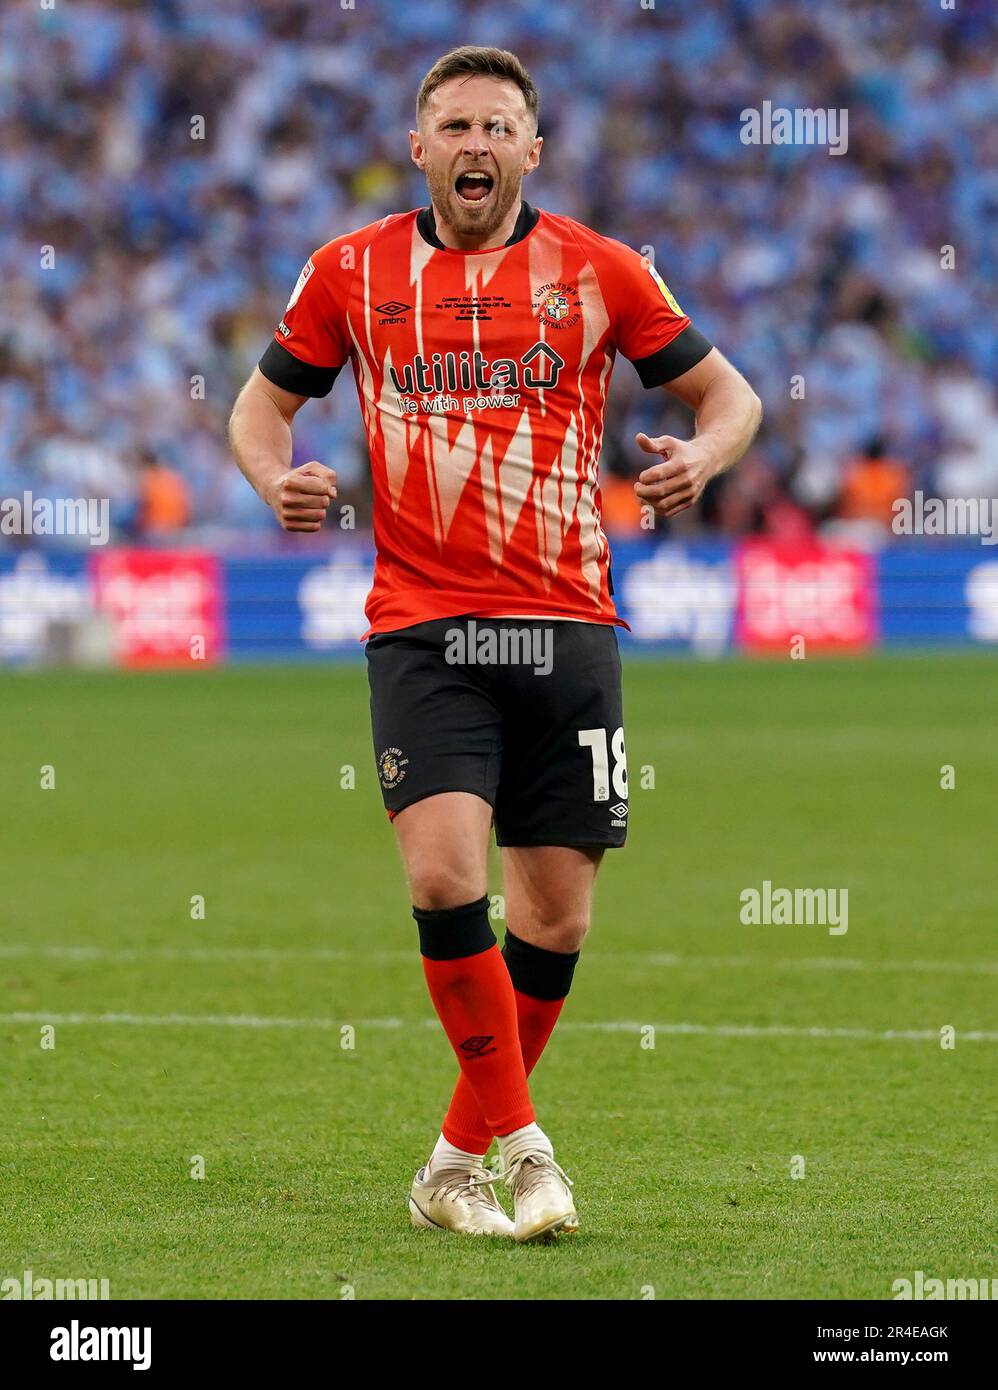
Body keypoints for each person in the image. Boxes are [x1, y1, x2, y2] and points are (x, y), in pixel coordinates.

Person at [229, 45, 761, 1243]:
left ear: (531, 149)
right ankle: (526, 1149)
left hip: (568, 623)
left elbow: (731, 396)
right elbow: (258, 406)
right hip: (422, 625)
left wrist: (700, 459)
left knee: (556, 920)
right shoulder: (351, 273)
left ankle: (449, 1163)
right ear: (417, 147)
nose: (475, 145)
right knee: (439, 878)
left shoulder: (600, 270)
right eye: (453, 125)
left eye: (497, 127)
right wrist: (275, 477)